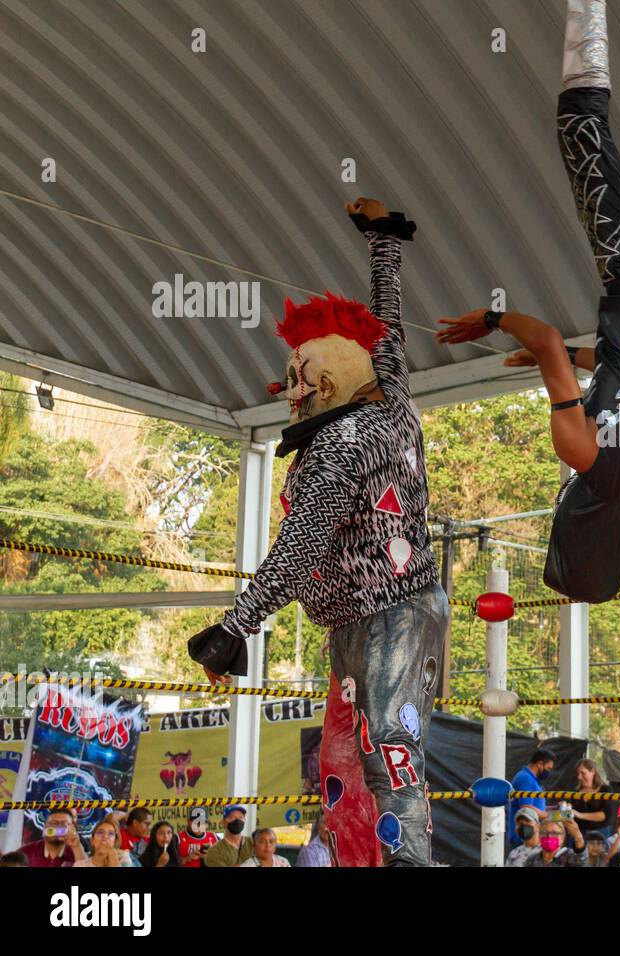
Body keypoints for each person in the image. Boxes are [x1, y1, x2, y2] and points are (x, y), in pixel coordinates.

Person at [187, 196, 449, 867]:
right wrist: (384, 245)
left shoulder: (339, 444)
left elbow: (300, 547)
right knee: (345, 749)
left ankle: (410, 860)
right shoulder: (387, 397)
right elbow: (384, 333)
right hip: (367, 616)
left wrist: (234, 628)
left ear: (328, 381)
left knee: (387, 735)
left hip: (391, 613)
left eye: (300, 378)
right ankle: (360, 855)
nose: (288, 388)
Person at [436, 0, 620, 605]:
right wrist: (490, 322)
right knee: (580, 127)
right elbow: (542, 338)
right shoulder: (582, 454)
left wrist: (575, 359)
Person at [509, 747, 556, 847]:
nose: (549, 772)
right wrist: (558, 815)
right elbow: (526, 809)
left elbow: (535, 807)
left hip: (531, 835)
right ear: (540, 764)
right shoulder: (525, 779)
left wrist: (556, 809)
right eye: (548, 768)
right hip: (524, 836)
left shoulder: (532, 780)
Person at [18, 809, 83, 867]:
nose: (59, 827)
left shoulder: (76, 852)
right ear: (45, 827)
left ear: (73, 829)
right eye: (54, 823)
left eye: (64, 824)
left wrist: (76, 847)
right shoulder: (26, 852)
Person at [568, 757, 609, 836]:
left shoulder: (605, 790)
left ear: (593, 771)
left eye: (583, 773)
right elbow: (571, 814)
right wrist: (563, 810)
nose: (579, 777)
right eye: (578, 774)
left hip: (600, 835)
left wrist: (580, 815)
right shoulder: (575, 792)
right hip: (578, 833)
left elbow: (605, 815)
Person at [73, 819, 139, 868]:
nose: (105, 836)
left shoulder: (124, 859)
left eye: (110, 833)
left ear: (115, 842)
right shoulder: (80, 865)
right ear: (92, 840)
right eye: (100, 832)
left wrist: (113, 858)